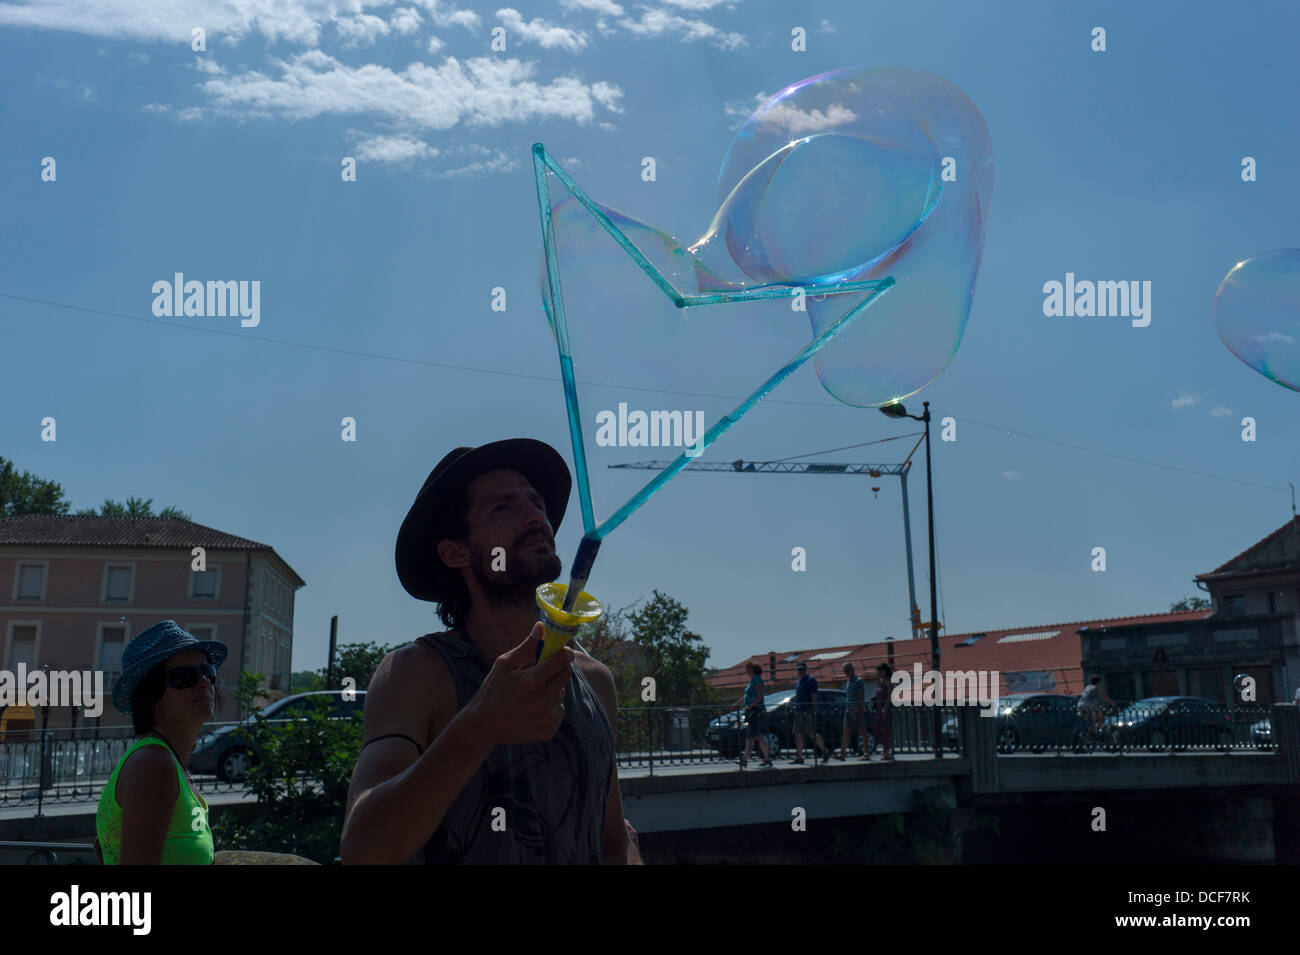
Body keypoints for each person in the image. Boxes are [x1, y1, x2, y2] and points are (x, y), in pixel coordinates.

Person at [342, 439, 640, 864]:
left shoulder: (593, 679)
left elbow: (612, 840)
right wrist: (481, 726)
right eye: (503, 507)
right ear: (455, 551)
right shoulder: (417, 673)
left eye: (536, 503)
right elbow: (362, 850)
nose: (537, 516)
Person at [95, 621, 225, 865]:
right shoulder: (154, 765)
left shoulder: (168, 762)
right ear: (152, 696)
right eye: (184, 677)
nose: (203, 682)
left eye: (208, 672)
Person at [791, 662, 831, 763]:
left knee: (811, 733)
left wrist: (811, 710)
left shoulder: (811, 680)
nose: (800, 672)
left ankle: (824, 751)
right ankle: (799, 757)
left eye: (802, 670)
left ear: (805, 670)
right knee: (798, 734)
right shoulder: (799, 681)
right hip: (798, 711)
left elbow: (814, 696)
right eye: (799, 670)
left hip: (807, 711)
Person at [736, 662, 773, 768]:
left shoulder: (756, 680)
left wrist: (750, 706)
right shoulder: (752, 681)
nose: (746, 670)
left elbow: (760, 695)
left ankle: (744, 759)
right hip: (753, 711)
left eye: (748, 668)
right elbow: (747, 696)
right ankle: (767, 758)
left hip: (756, 711)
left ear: (752, 669)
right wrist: (737, 704)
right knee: (758, 736)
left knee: (751, 736)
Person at [840, 662, 870, 760]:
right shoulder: (848, 681)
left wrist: (857, 710)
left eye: (847, 670)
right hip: (849, 711)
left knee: (862, 731)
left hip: (858, 711)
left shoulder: (858, 681)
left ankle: (866, 753)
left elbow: (861, 697)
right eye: (844, 671)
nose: (845, 673)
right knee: (846, 732)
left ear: (852, 669)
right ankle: (842, 754)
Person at [872, 663, 894, 761]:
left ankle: (887, 752)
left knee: (885, 730)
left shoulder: (889, 682)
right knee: (878, 730)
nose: (878, 673)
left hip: (886, 709)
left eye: (879, 671)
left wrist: (886, 707)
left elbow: (890, 695)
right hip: (878, 709)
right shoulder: (879, 682)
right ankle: (884, 750)